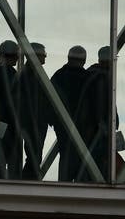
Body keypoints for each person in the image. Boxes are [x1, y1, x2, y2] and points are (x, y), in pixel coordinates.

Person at [77, 46, 117, 182]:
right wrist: (105, 124)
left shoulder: (91, 74)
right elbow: (101, 102)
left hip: (91, 127)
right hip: (98, 128)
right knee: (98, 159)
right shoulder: (102, 76)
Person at [50, 45, 88, 182]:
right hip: (82, 126)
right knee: (81, 158)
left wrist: (54, 121)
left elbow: (49, 99)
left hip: (63, 125)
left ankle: (64, 184)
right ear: (84, 60)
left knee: (65, 155)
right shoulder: (87, 77)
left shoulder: (59, 75)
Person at [18, 42, 52, 180]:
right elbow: (33, 99)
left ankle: (29, 179)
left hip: (33, 120)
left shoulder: (30, 72)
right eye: (43, 54)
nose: (45, 57)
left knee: (34, 154)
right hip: (34, 120)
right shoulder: (32, 74)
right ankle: (29, 180)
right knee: (34, 154)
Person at [0, 39, 21, 179]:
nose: (18, 58)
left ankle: (1, 182)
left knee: (0, 156)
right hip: (5, 119)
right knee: (9, 154)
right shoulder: (6, 71)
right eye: (16, 55)